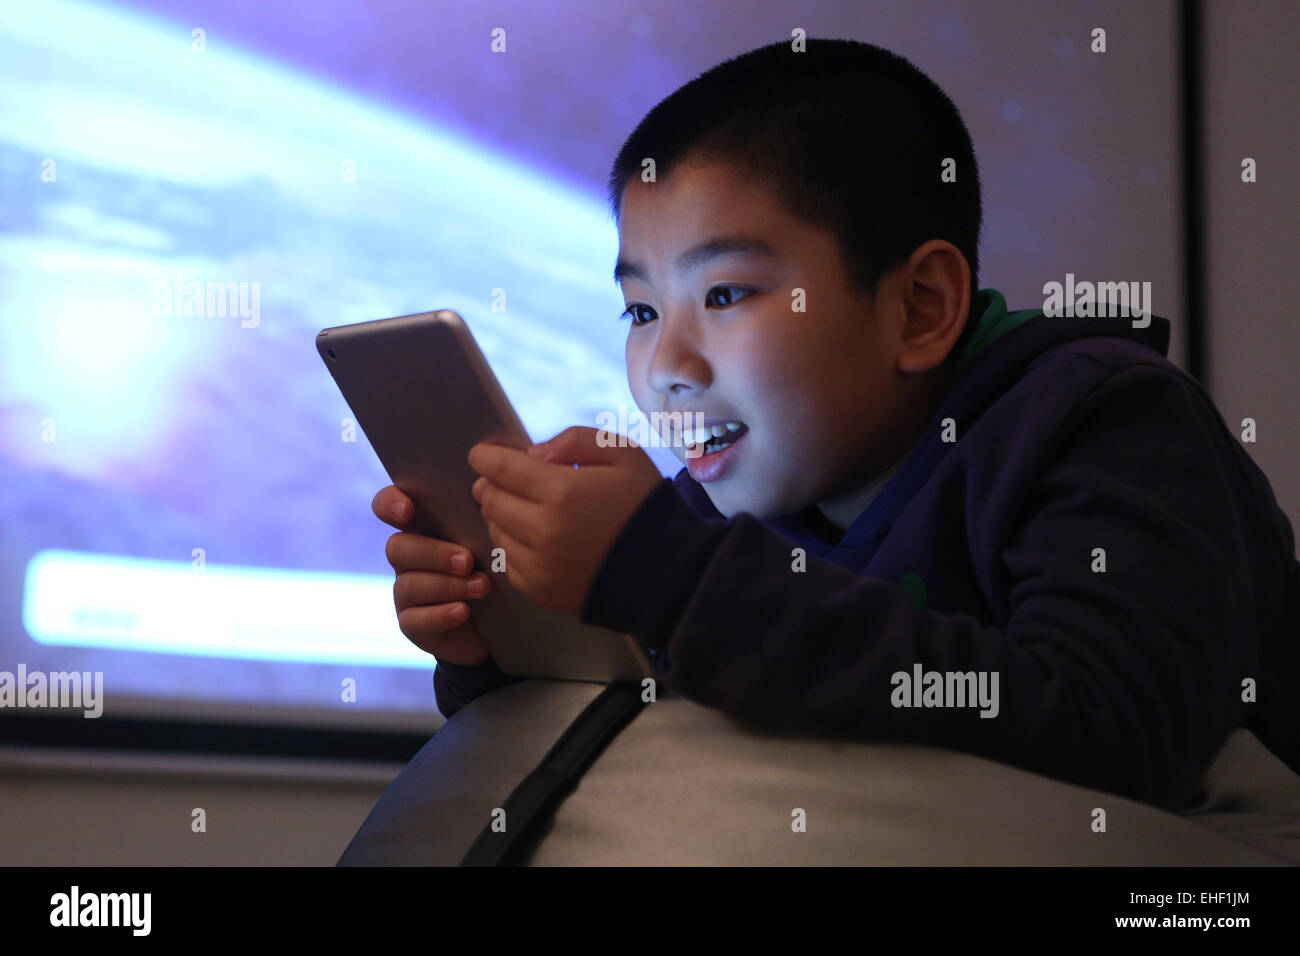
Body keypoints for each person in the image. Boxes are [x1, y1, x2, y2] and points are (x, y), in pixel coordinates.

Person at [374, 38, 1299, 814]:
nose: (667, 369)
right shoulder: (722, 517)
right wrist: (504, 652)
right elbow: (670, 736)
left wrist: (661, 575)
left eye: (726, 293)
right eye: (641, 312)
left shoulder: (1101, 420)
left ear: (921, 307)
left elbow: (1113, 735)